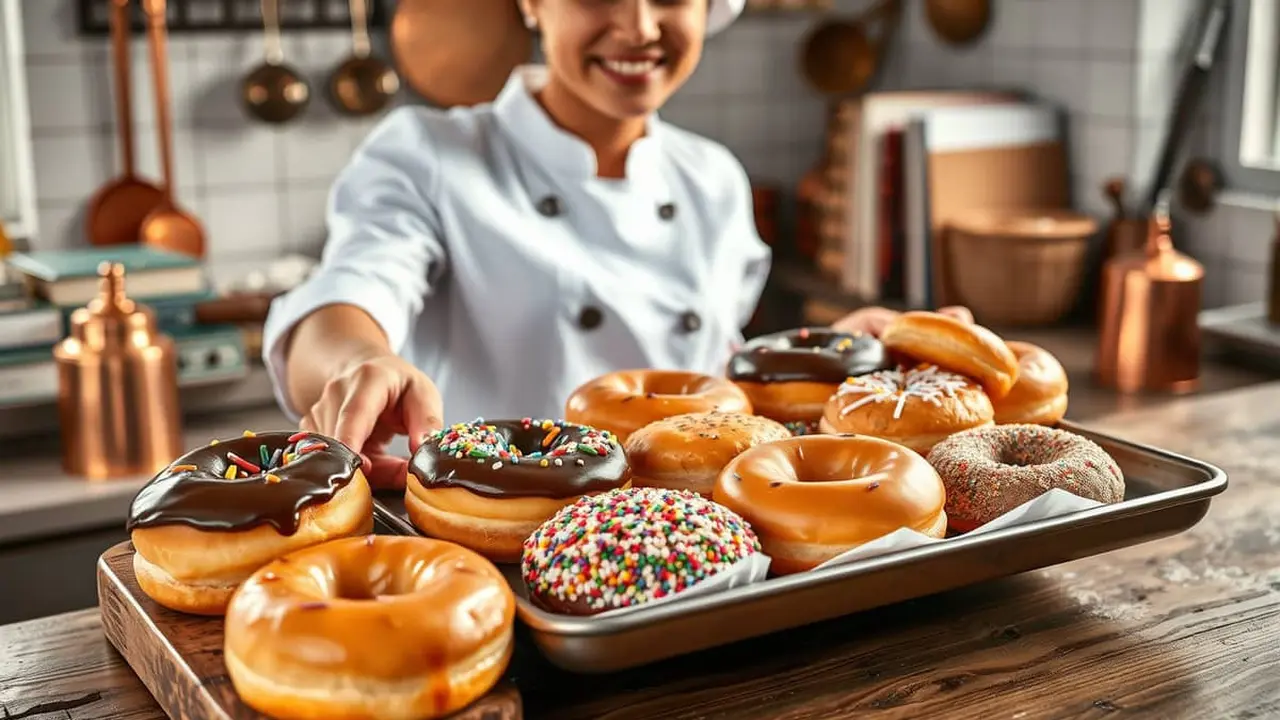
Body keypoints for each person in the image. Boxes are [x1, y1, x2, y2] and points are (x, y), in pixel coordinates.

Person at [260, 0, 967, 488]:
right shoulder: (433, 152)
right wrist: (363, 362)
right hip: (496, 554)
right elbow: (348, 295)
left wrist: (827, 355)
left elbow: (707, 383)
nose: (638, 27)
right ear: (532, 3)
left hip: (698, 551)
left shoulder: (711, 177)